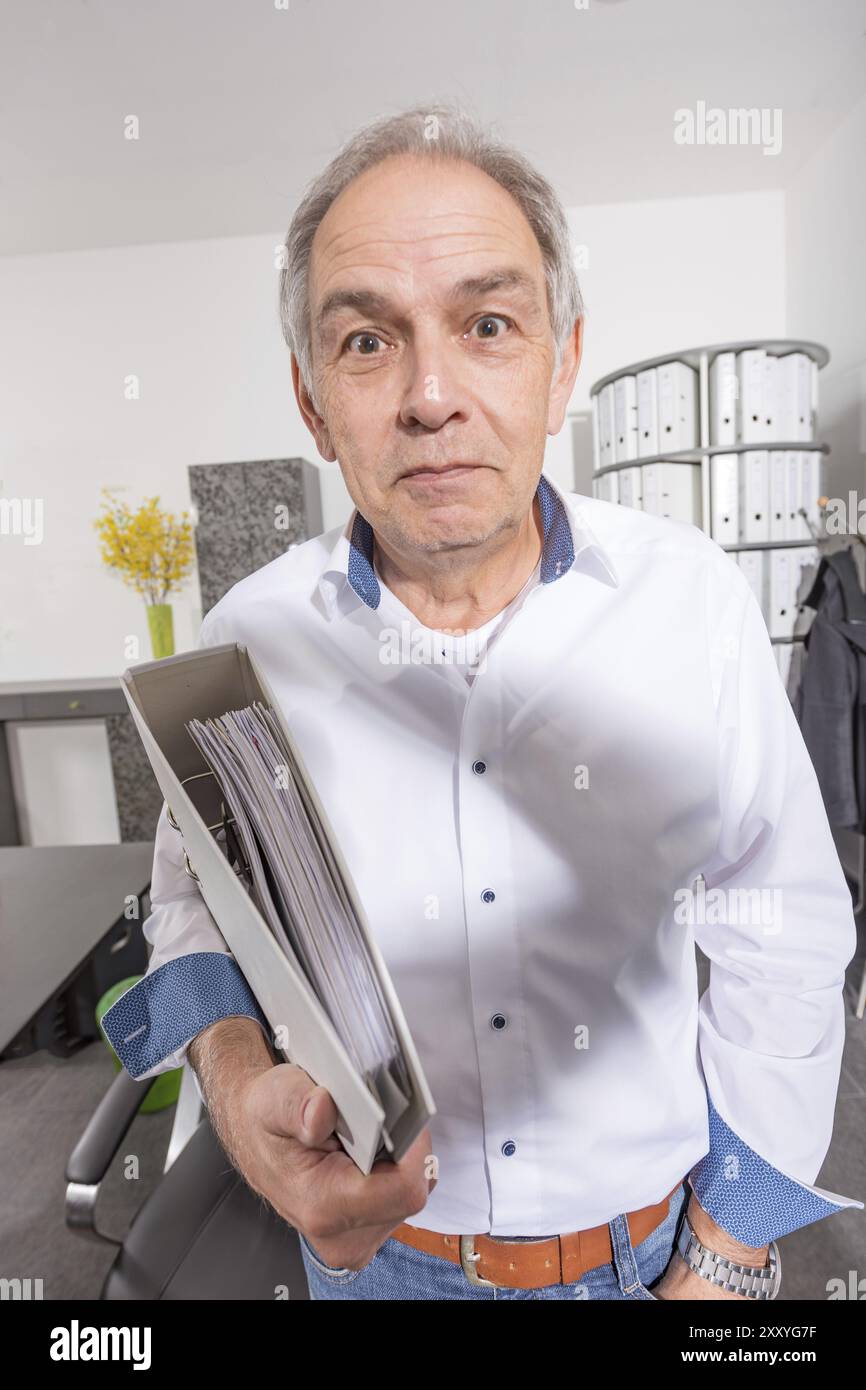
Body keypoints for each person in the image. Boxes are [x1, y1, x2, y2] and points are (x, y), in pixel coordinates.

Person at [103, 102, 862, 1300]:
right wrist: (243, 1099)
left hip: (662, 1262)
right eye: (365, 343)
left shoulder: (691, 605)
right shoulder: (246, 640)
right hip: (371, 1269)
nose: (429, 393)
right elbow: (198, 908)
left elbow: (783, 933)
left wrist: (722, 1260)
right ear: (311, 402)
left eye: (488, 322)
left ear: (561, 362)